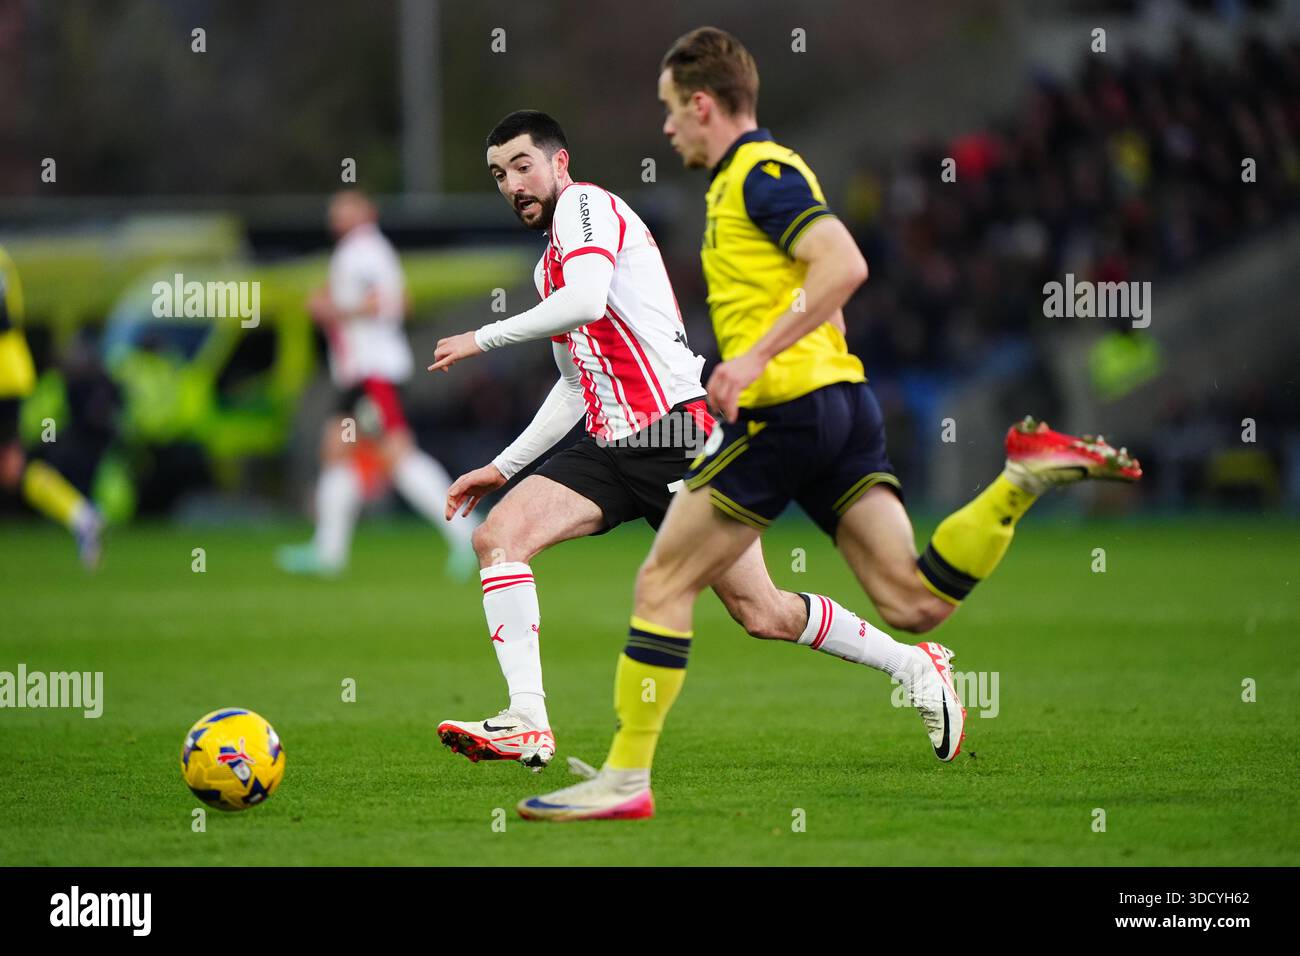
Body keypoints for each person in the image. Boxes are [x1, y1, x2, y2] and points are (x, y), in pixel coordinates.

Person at [517, 27, 1141, 821]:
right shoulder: (768, 175)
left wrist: (749, 362)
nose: (667, 127)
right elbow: (820, 287)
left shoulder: (756, 175)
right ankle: (1017, 482)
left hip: (784, 413)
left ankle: (625, 780)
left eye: (673, 110)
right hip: (839, 405)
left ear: (703, 105)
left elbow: (845, 264)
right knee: (912, 600)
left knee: (663, 581)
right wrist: (811, 336)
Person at [428, 110, 956, 772]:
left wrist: (483, 337)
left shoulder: (585, 206)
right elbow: (572, 385)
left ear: (560, 163)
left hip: (677, 432)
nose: (513, 184)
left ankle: (913, 662)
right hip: (609, 443)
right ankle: (527, 721)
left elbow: (590, 301)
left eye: (523, 165)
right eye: (499, 175)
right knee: (498, 537)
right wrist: (501, 467)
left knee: (761, 612)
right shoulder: (546, 274)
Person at [277, 190, 476, 578]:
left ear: (366, 211)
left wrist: (332, 309)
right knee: (339, 449)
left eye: (346, 204)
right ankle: (328, 552)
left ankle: (466, 534)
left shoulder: (366, 249)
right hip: (359, 375)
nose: (336, 211)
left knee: (397, 456)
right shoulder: (356, 250)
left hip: (374, 373)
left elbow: (395, 302)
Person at [0, 246, 104, 569]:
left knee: (12, 466)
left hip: (4, 373)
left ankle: (81, 516)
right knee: (12, 469)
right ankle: (81, 516)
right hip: (10, 369)